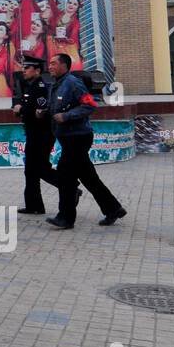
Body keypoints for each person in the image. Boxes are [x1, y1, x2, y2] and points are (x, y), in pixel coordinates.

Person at [45, 54, 126, 229]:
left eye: (53, 63)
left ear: (64, 66)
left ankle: (66, 217)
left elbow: (89, 105)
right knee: (89, 177)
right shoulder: (56, 85)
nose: (49, 66)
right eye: (49, 64)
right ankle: (113, 208)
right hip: (68, 137)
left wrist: (66, 116)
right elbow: (55, 109)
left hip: (78, 137)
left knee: (65, 175)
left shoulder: (73, 83)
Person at [13, 55, 64, 215]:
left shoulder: (40, 87)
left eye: (27, 68)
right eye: (23, 68)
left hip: (41, 135)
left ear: (37, 70)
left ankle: (69, 187)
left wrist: (21, 110)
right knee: (31, 170)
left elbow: (39, 113)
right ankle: (34, 205)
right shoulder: (30, 86)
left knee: (39, 168)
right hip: (33, 133)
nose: (24, 71)